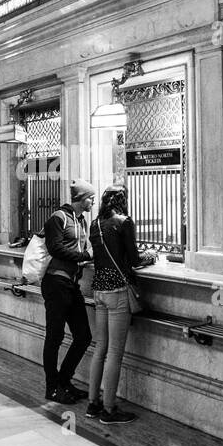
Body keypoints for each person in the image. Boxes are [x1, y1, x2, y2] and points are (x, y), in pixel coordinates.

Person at [85, 185, 156, 424]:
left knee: (100, 348)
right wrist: (151, 256)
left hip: (98, 291)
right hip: (117, 292)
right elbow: (134, 260)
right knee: (115, 352)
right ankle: (109, 410)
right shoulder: (124, 222)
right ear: (123, 200)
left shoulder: (95, 224)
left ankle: (93, 404)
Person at [41, 179, 95, 403]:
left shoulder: (82, 221)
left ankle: (64, 381)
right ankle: (52, 388)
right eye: (91, 198)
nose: (93, 202)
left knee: (83, 336)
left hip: (72, 284)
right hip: (56, 283)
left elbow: (82, 247)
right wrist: (84, 257)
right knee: (54, 337)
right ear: (82, 198)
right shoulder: (58, 218)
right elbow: (54, 247)